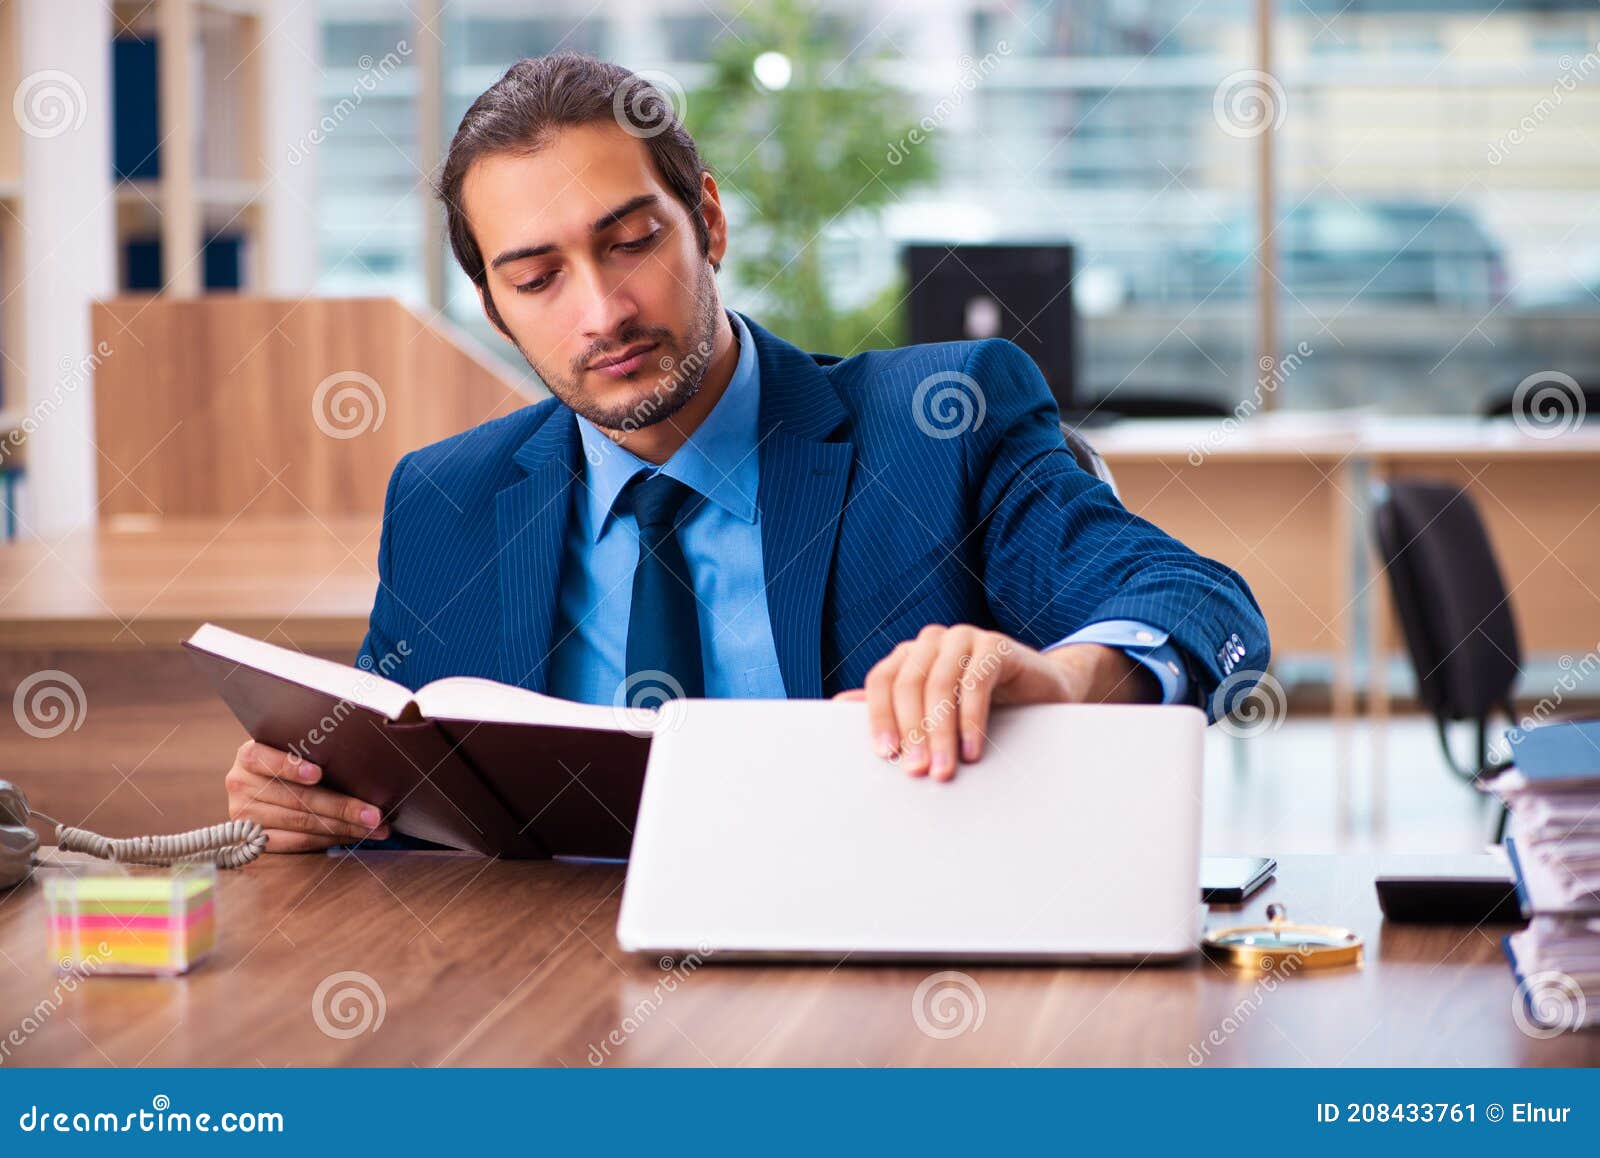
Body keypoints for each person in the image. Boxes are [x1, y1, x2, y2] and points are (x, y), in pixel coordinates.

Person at [225, 53, 1270, 852]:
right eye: (537, 278)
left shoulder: (936, 425)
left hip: (891, 992)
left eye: (631, 240)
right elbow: (394, 768)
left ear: (708, 221)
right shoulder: (448, 500)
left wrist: (1058, 677)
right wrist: (306, 796)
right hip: (555, 1008)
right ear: (496, 310)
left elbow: (1206, 611)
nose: (604, 311)